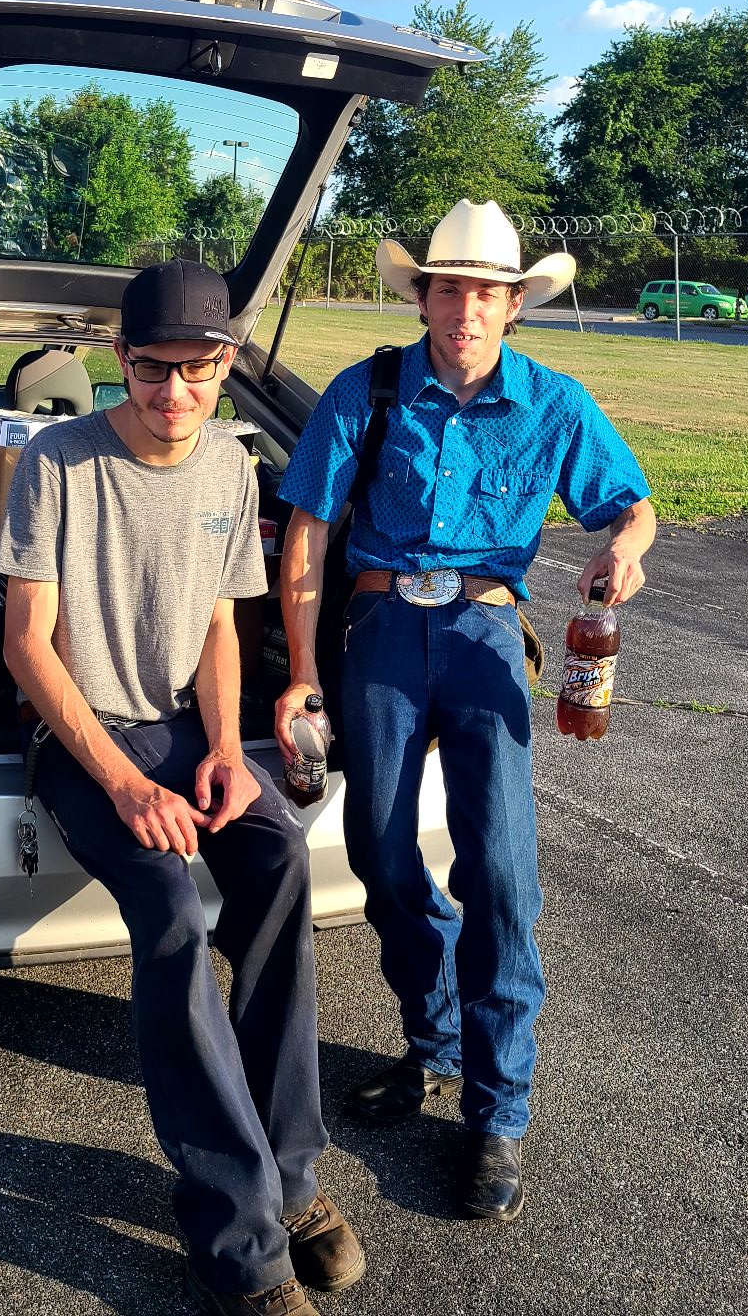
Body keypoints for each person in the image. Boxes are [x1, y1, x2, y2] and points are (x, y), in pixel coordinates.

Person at [274, 200, 655, 1223]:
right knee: (383, 857)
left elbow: (630, 503)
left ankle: (497, 1112)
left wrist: (625, 545)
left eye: (487, 292)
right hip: (379, 628)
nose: (465, 309)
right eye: (448, 289)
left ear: (514, 305)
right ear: (424, 297)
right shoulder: (367, 389)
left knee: (497, 866)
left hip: (488, 630)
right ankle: (430, 1040)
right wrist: (302, 671)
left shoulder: (555, 403)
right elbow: (307, 534)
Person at [0, 258, 363, 1316]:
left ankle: (292, 1177)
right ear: (120, 362)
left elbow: (217, 624)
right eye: (153, 371)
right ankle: (239, 1242)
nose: (174, 395)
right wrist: (121, 783)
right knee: (165, 906)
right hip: (80, 744)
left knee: (278, 857)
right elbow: (27, 648)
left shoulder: (229, 466)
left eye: (198, 373)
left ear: (226, 366)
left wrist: (219, 749)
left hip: (174, 734)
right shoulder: (55, 463)